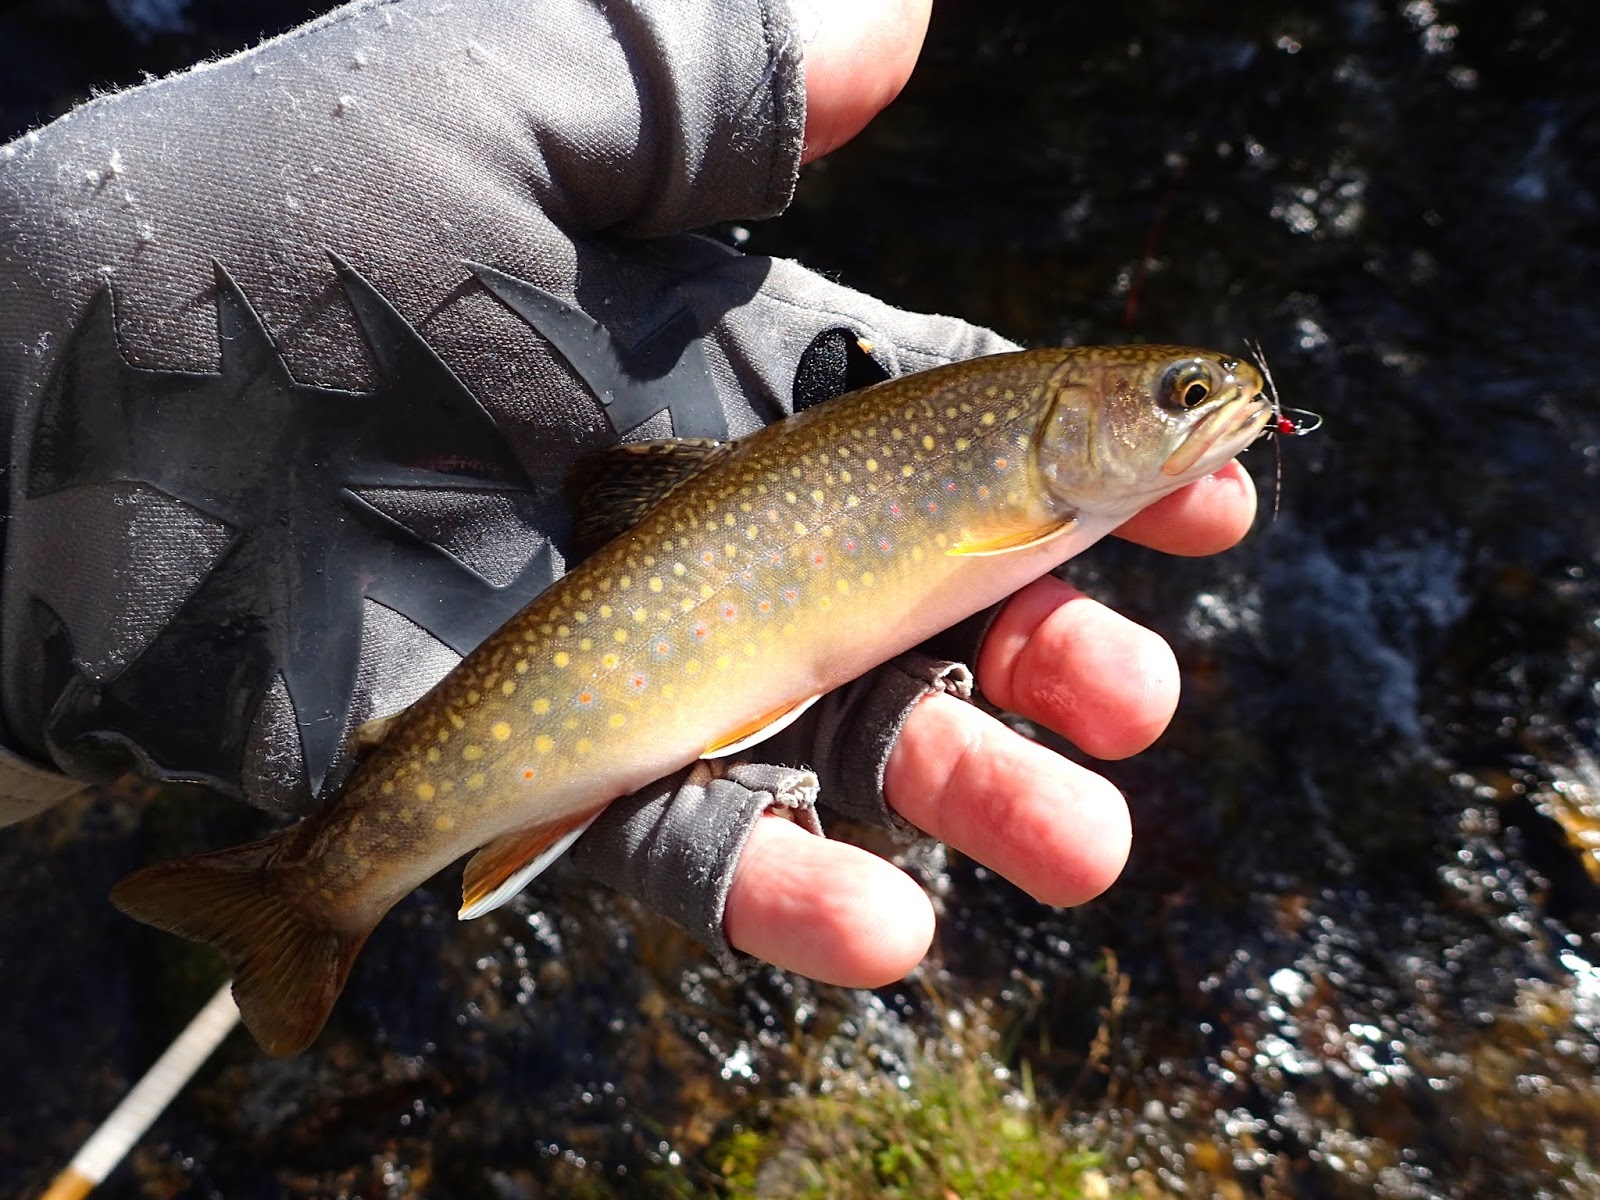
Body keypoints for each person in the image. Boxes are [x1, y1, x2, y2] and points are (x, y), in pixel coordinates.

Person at [0, 0, 1256, 991]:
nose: (1215, 403)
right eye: (1178, 393)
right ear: (1069, 410)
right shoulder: (1029, 487)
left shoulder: (1033, 463)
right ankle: (311, 891)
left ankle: (317, 884)